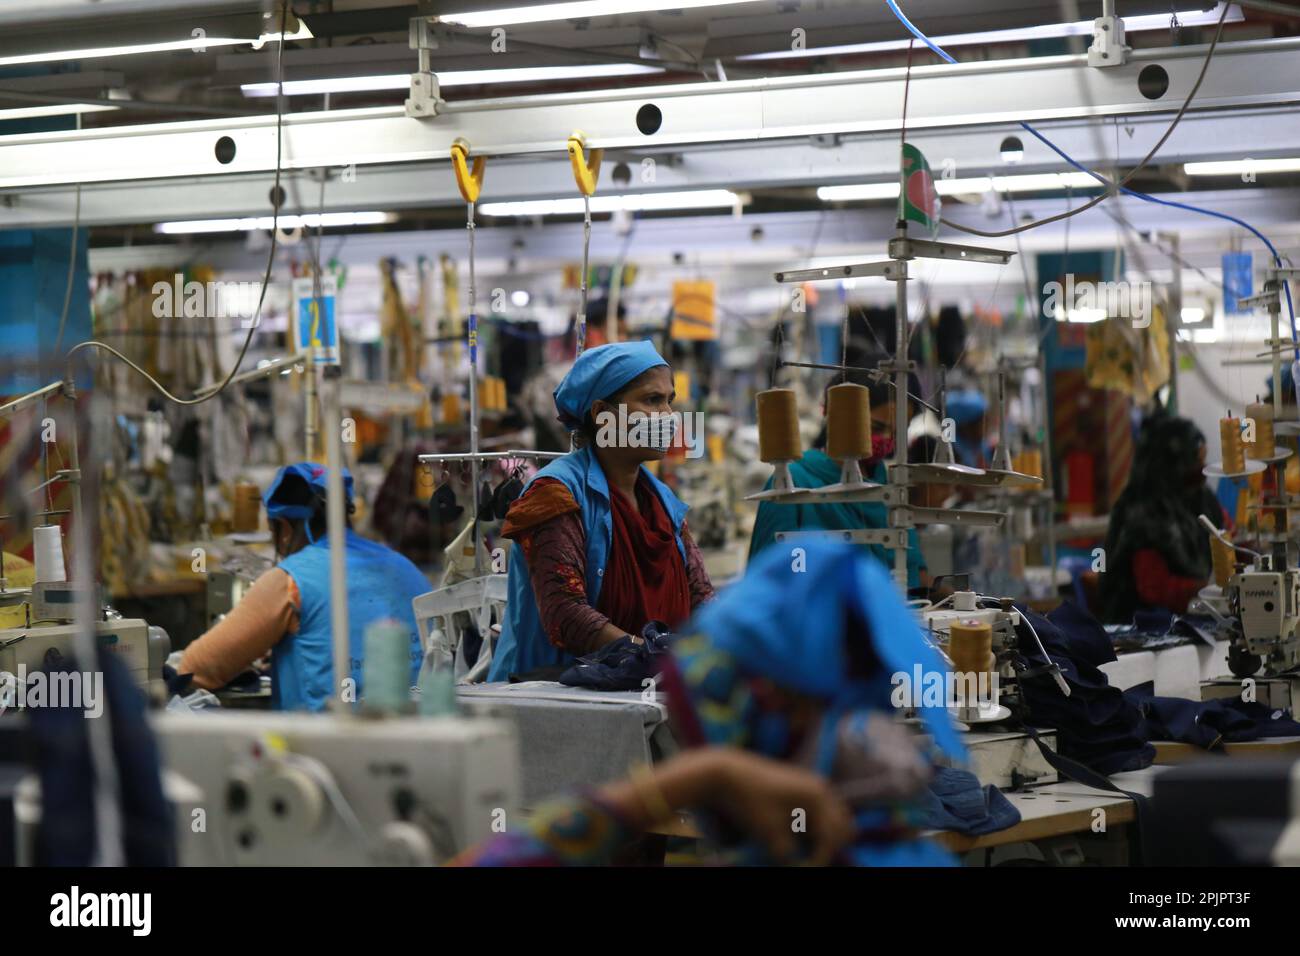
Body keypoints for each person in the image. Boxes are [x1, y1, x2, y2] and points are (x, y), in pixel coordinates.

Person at [488, 341, 714, 682]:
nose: (669, 417)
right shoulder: (556, 493)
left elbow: (700, 595)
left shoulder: (662, 500)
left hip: (646, 688)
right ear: (601, 414)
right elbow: (566, 614)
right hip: (554, 700)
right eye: (652, 400)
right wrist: (649, 655)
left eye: (670, 401)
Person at [177, 462, 432, 711]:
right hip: (417, 733)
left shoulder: (291, 579)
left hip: (329, 743)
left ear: (284, 529)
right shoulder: (406, 567)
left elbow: (197, 668)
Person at [747, 380, 928, 589]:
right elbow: (768, 581)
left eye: (897, 432)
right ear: (837, 418)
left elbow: (916, 572)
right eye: (877, 427)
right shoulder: (794, 483)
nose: (887, 438)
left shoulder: (889, 486)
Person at [1098, 413, 1228, 623]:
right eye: (1196, 459)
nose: (1202, 469)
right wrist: (1208, 589)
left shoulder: (1198, 498)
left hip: (1190, 615)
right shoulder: (1142, 511)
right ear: (1175, 463)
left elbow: (1227, 535)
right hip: (1143, 625)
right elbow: (1154, 589)